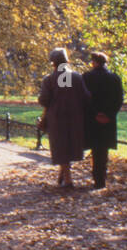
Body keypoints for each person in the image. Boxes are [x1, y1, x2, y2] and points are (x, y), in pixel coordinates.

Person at [38, 47, 90, 189]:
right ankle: (64, 174)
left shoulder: (49, 79)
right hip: (75, 117)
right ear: (67, 61)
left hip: (56, 117)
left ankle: (67, 180)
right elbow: (86, 97)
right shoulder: (77, 77)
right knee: (70, 145)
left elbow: (44, 100)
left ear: (53, 63)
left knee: (61, 146)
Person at [82, 51, 124, 190]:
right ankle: (101, 179)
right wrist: (109, 115)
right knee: (103, 150)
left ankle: (96, 178)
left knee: (95, 148)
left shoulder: (87, 77)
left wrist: (95, 114)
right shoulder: (114, 78)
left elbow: (85, 99)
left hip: (93, 119)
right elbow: (119, 100)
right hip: (108, 120)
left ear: (94, 62)